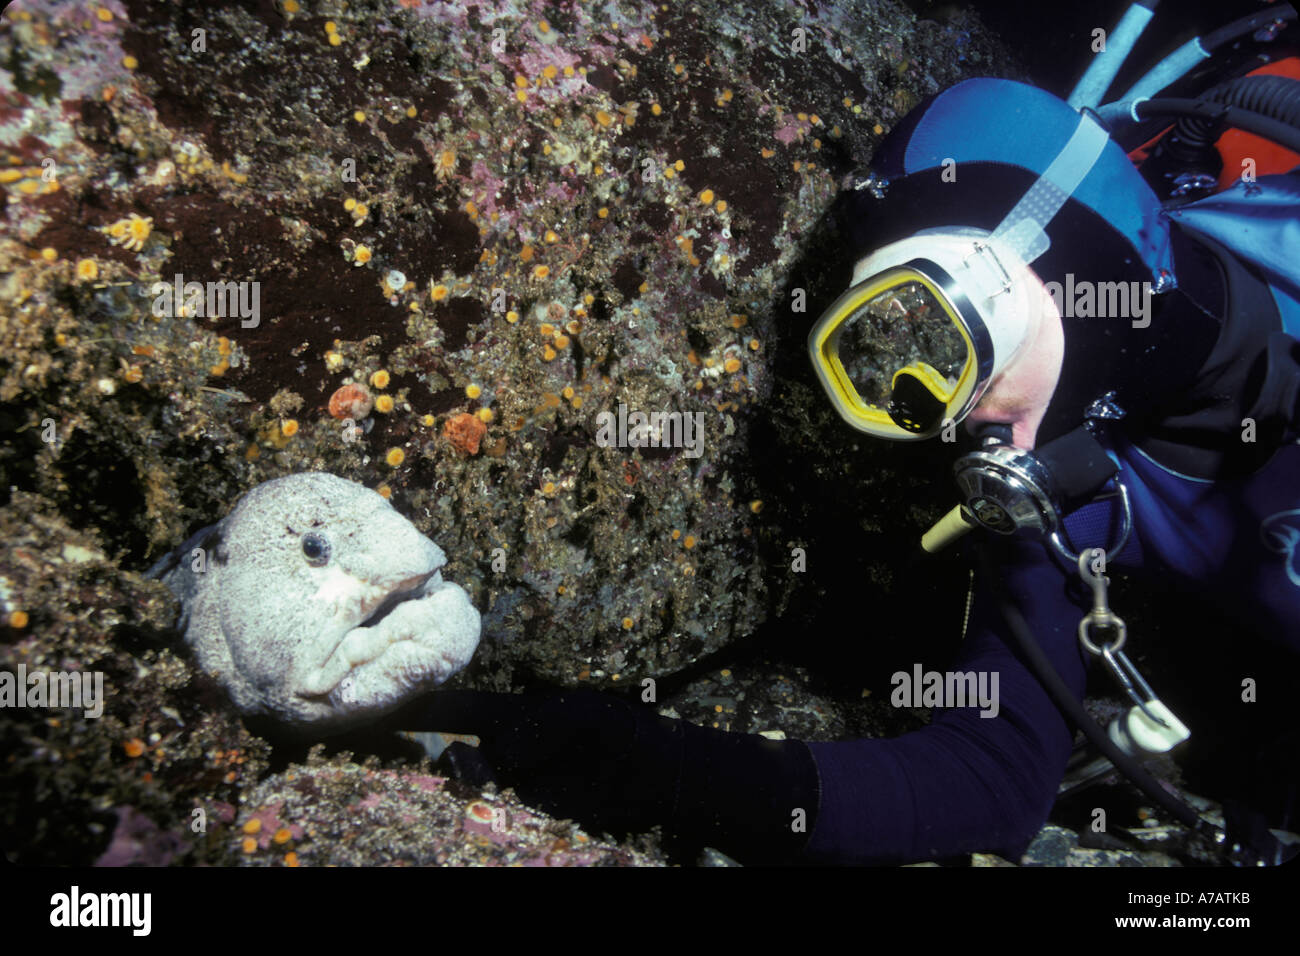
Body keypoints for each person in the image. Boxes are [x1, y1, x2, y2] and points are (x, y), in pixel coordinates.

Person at [398, 28, 1300, 866]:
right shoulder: (1061, 464)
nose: (949, 423)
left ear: (1079, 290)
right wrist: (650, 764)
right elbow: (993, 777)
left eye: (952, 342)